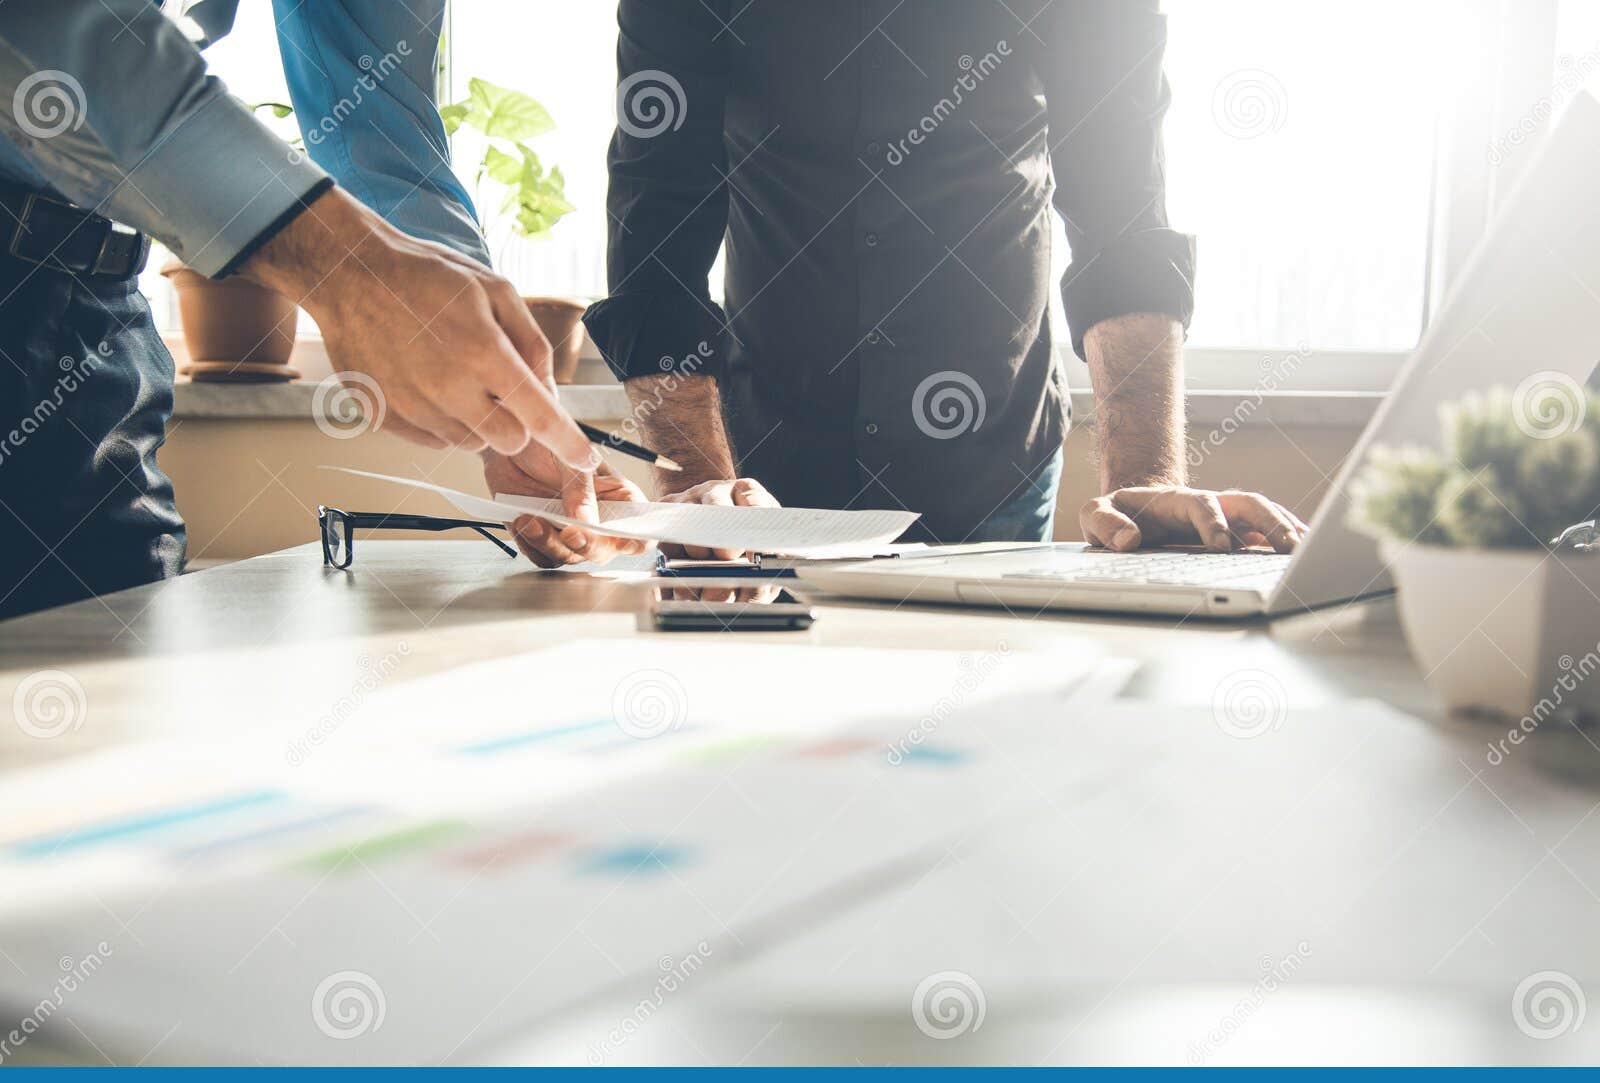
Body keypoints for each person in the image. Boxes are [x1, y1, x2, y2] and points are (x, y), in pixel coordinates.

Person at [510, 0, 1307, 565]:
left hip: (994, 465)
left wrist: (1145, 486)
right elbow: (659, 225)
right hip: (765, 475)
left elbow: (1121, 214)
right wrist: (697, 484)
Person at [0, 0, 636, 618]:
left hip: (96, 313)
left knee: (113, 652)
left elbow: (369, 89)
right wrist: (348, 268)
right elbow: (47, 32)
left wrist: (495, 397)